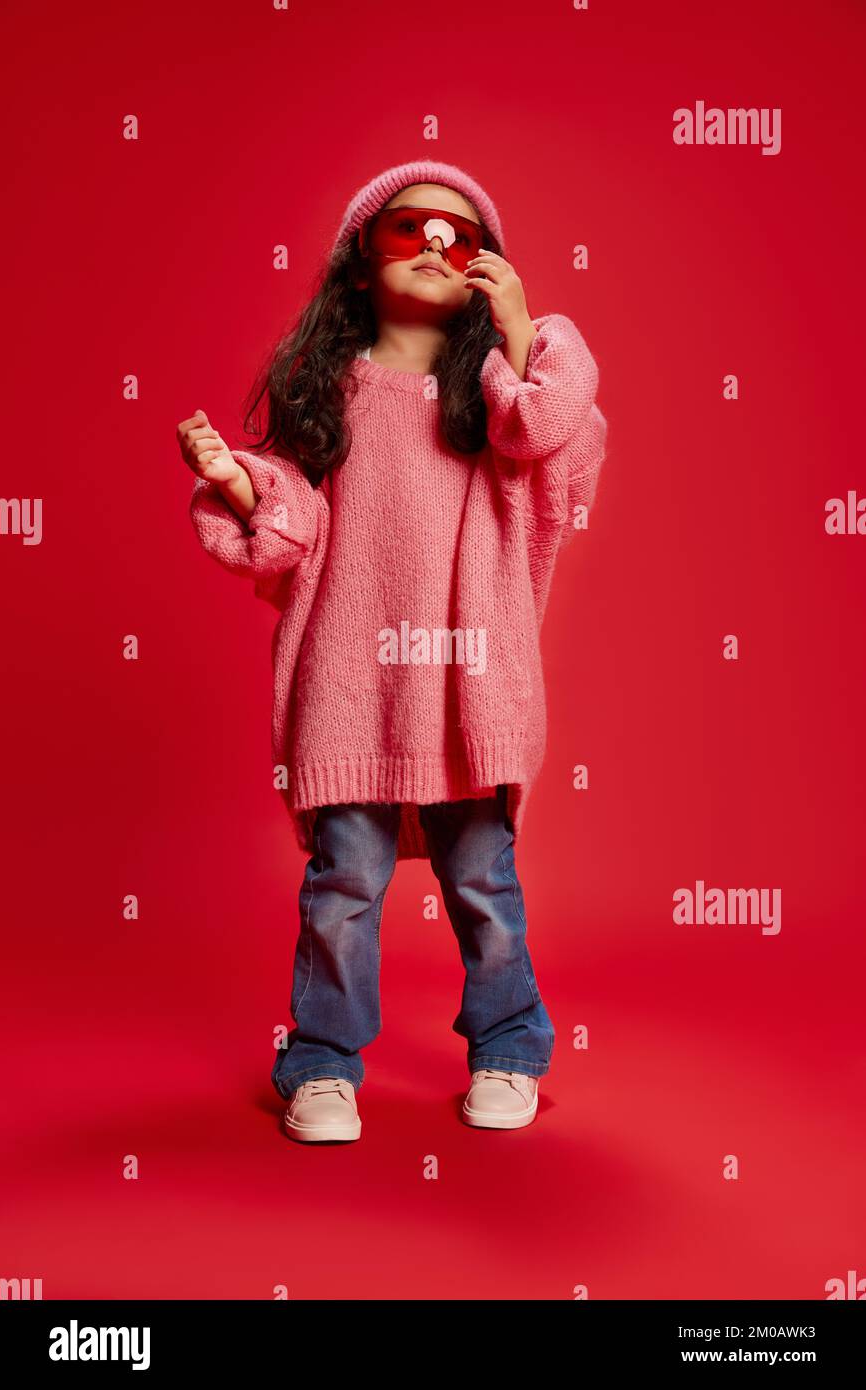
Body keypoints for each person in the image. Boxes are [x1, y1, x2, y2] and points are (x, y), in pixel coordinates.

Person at [177, 160, 607, 1143]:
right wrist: (237, 483)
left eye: (460, 239)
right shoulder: (326, 392)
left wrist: (523, 328)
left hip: (468, 681)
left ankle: (509, 1043)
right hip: (350, 680)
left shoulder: (500, 394)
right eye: (410, 229)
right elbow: (289, 541)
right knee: (342, 886)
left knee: (484, 883)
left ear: (484, 269)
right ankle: (323, 1063)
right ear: (360, 263)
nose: (434, 248)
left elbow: (558, 431)